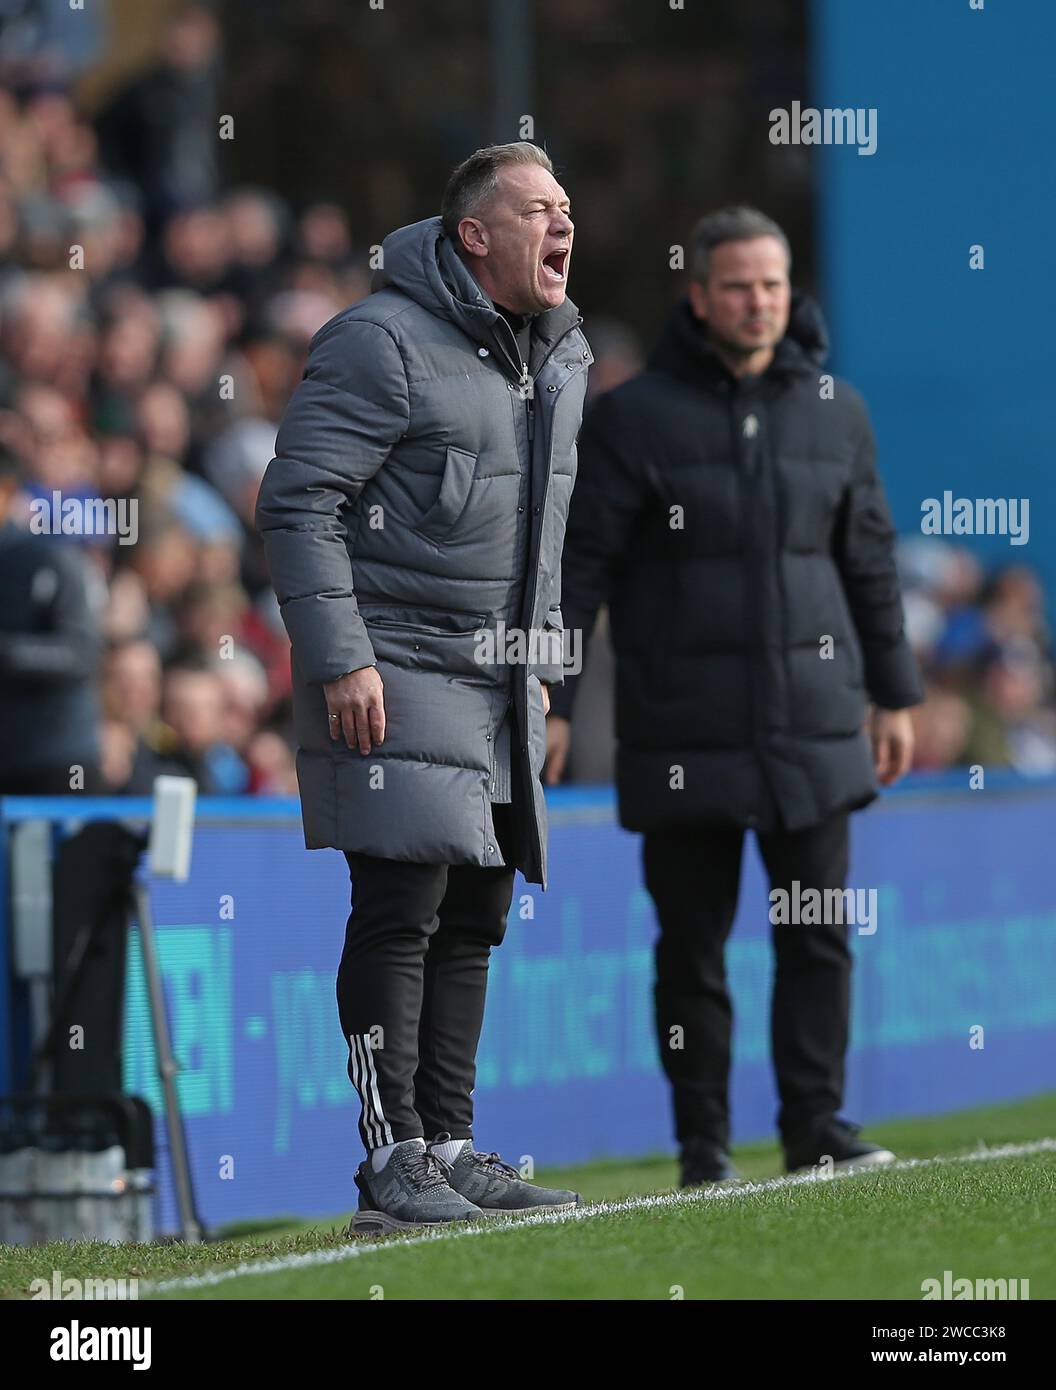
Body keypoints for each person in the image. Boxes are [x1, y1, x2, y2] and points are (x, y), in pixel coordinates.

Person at [545, 207, 923, 1184]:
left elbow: (870, 562)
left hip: (815, 725)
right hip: (683, 730)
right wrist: (549, 700)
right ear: (699, 295)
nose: (761, 303)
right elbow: (579, 574)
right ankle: (703, 1147)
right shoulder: (632, 418)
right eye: (740, 286)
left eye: (774, 284)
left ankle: (816, 1128)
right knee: (691, 953)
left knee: (817, 939)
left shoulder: (837, 409)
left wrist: (894, 691)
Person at [256, 142, 592, 1232]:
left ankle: (447, 1142)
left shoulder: (559, 353)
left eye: (568, 207)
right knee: (400, 904)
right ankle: (387, 1155)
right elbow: (298, 504)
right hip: (394, 665)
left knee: (478, 909)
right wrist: (341, 653)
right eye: (538, 209)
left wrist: (543, 678)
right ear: (473, 234)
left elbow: (542, 543)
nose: (563, 225)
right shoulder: (377, 341)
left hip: (500, 679)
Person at [0, 444, 103, 793]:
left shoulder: (52, 558)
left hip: (54, 759)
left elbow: (80, 652)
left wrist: (8, 653)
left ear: (8, 491)